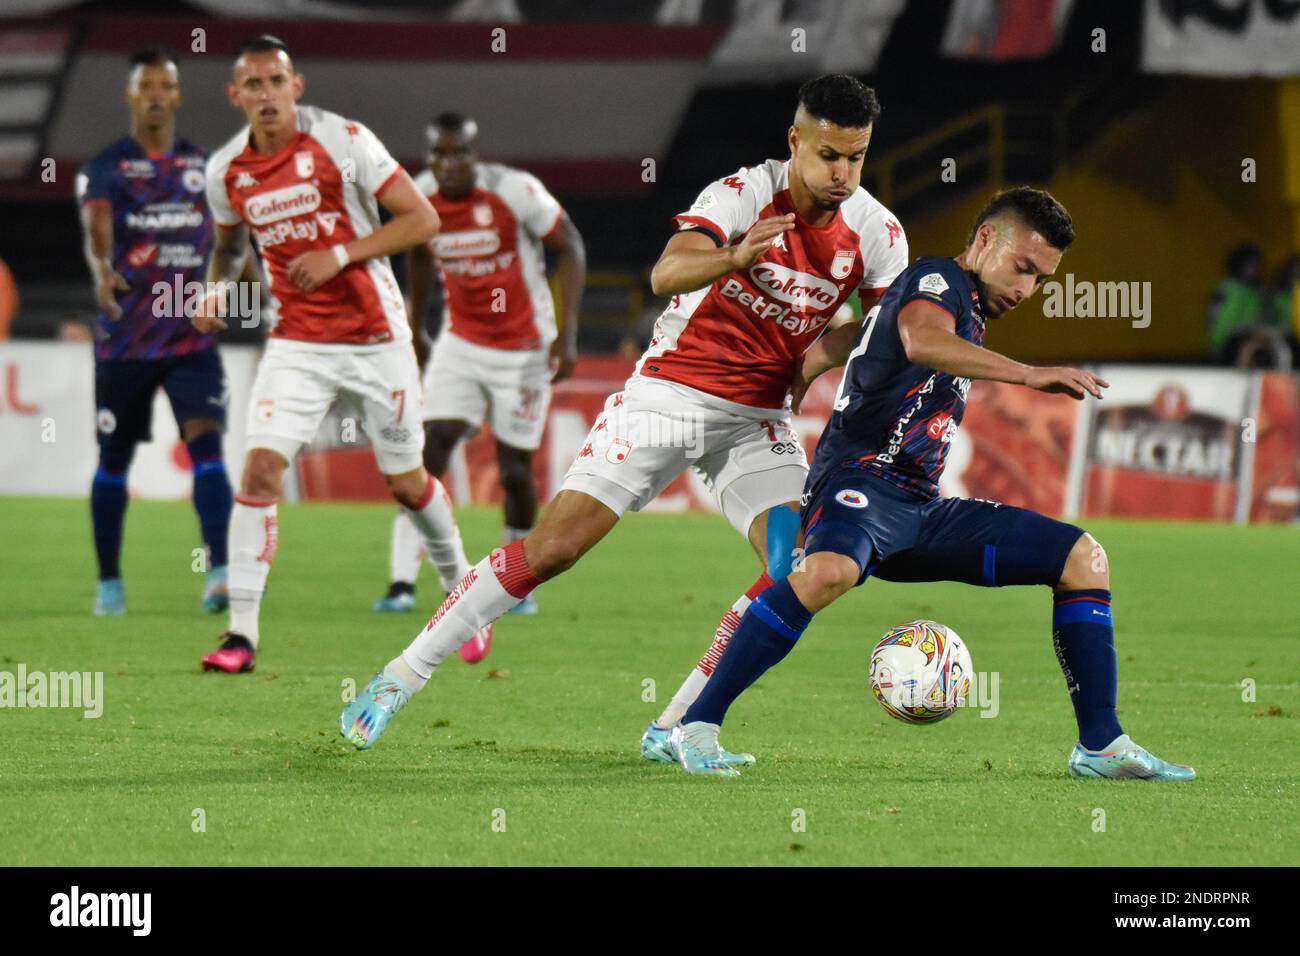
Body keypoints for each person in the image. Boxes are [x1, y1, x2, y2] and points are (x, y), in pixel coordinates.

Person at [339, 74, 909, 751]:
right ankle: (401, 674)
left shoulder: (877, 230)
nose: (843, 173)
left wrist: (816, 358)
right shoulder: (745, 193)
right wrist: (734, 254)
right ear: (795, 141)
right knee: (554, 549)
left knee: (795, 567)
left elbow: (886, 326)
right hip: (669, 395)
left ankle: (678, 725)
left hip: (756, 419)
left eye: (856, 156)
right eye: (828, 155)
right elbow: (666, 273)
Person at [667, 187, 1195, 782]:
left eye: (1041, 280)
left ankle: (1101, 744)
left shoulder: (950, 299)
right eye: (1023, 268)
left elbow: (874, 330)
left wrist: (811, 363)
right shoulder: (938, 279)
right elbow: (920, 340)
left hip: (919, 510)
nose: (1026, 289)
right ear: (986, 239)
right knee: (829, 571)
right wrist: (1030, 375)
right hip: (858, 488)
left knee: (1083, 558)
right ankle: (697, 726)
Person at [192, 35, 484, 673]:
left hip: (377, 341)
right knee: (260, 472)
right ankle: (241, 636)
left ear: (296, 87)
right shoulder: (226, 172)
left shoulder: (343, 141)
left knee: (407, 485)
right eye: (253, 85)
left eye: (276, 82)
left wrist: (342, 254)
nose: (266, 95)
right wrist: (216, 289)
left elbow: (423, 219)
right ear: (234, 95)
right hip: (296, 344)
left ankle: (464, 590)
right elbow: (228, 244)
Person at [371, 111, 586, 633]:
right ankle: (402, 582)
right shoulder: (419, 196)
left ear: (474, 152)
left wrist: (567, 332)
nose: (449, 164)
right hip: (460, 343)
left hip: (524, 350)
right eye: (439, 155)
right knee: (429, 450)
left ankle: (519, 581)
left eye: (459, 153)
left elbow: (570, 246)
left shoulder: (515, 191)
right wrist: (418, 324)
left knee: (515, 469)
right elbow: (420, 257)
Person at [76, 48, 232, 616]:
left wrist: (229, 288)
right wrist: (100, 271)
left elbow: (231, 235)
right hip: (126, 341)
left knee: (207, 444)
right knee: (114, 458)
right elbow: (96, 221)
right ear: (131, 95)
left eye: (166, 85)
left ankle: (218, 572)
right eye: (147, 87)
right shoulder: (109, 166)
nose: (157, 95)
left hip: (190, 337)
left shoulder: (203, 165)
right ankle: (109, 583)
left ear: (178, 95)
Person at [1207, 243, 1267, 364]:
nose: (1254, 268)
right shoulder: (1225, 288)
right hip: (1226, 344)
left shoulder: (1257, 291)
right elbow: (1212, 319)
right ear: (1239, 263)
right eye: (1250, 264)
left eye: (1256, 264)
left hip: (1250, 342)